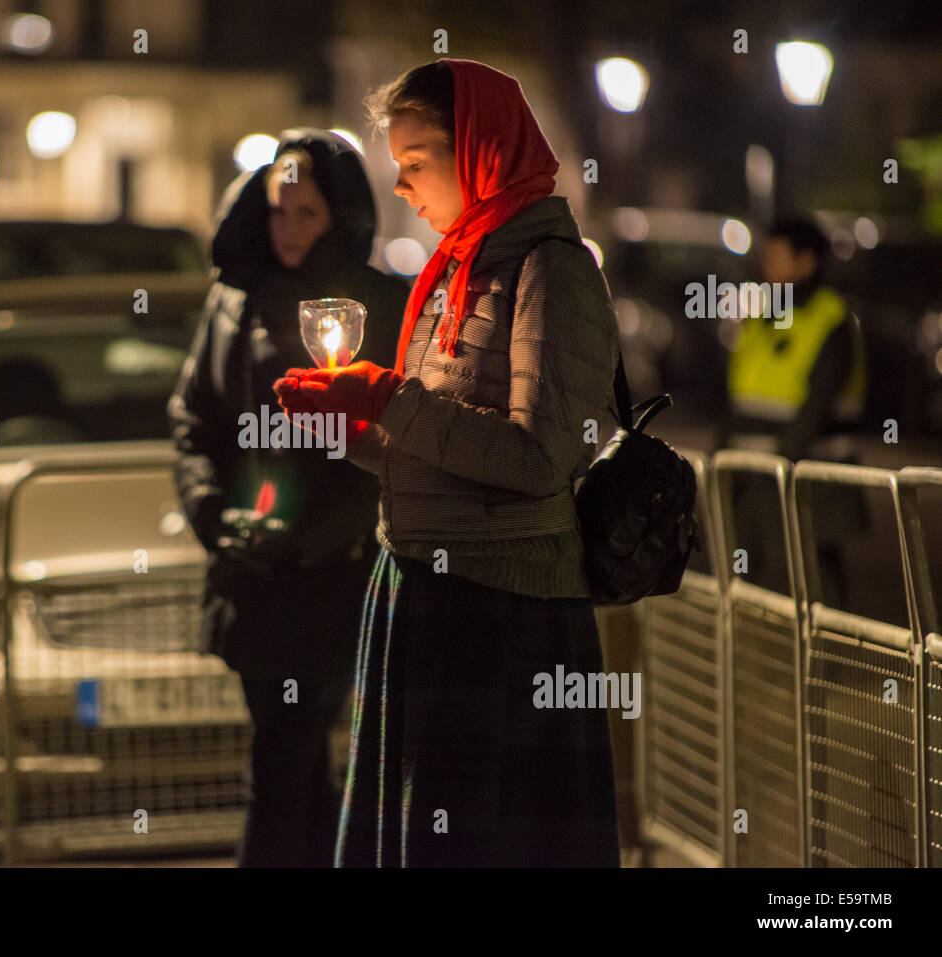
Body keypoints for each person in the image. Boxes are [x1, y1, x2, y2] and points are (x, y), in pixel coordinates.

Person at [275, 59, 622, 866]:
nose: (400, 187)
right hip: (424, 595)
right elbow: (439, 450)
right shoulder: (455, 270)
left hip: (503, 610)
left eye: (416, 162)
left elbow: (540, 456)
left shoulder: (552, 272)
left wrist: (387, 398)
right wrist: (345, 426)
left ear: (480, 151)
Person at [168, 129, 408, 867]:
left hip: (330, 576)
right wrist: (214, 516)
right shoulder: (231, 300)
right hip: (249, 571)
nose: (289, 228)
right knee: (295, 763)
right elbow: (193, 418)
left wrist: (307, 536)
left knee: (281, 758)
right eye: (279, 210)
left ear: (339, 216)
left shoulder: (373, 303)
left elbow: (380, 443)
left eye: (307, 213)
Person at [718, 216, 868, 604]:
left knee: (820, 591)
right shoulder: (762, 315)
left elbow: (819, 403)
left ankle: (828, 662)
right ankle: (748, 659)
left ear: (806, 262)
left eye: (777, 256)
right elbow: (738, 396)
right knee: (740, 586)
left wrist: (782, 457)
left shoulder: (831, 318)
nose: (767, 265)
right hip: (751, 475)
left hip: (810, 476)